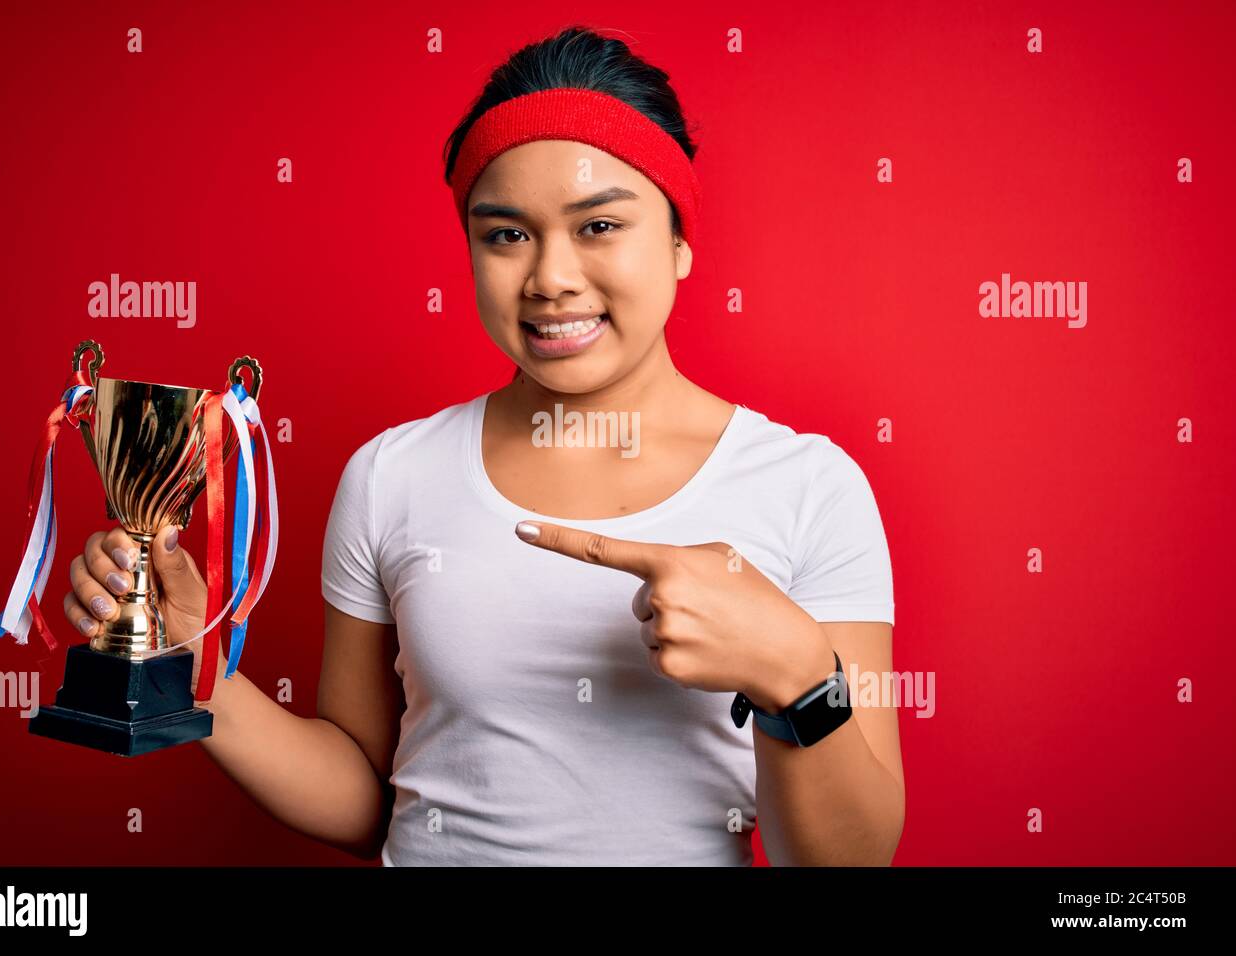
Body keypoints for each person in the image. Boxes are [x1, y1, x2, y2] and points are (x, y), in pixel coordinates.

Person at [63, 25, 903, 866]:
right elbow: (366, 793)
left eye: (599, 225)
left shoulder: (808, 487)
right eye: (506, 234)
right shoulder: (392, 474)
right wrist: (190, 661)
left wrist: (797, 675)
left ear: (681, 244)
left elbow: (848, 859)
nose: (549, 277)